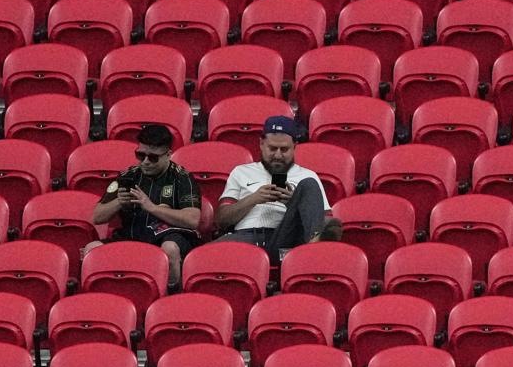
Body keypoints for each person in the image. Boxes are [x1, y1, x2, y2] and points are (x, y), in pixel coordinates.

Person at [84, 124, 201, 289]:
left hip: (168, 237)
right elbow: (97, 217)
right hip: (132, 236)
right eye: (140, 155)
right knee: (92, 248)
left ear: (168, 154)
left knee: (169, 248)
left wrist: (151, 207)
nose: (145, 162)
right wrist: (119, 202)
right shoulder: (128, 176)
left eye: (153, 158)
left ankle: (172, 296)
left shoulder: (182, 178)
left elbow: (193, 220)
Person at [214, 115, 342, 262]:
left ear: (295, 147)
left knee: (308, 184)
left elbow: (326, 221)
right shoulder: (241, 172)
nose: (278, 155)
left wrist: (294, 202)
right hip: (246, 238)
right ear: (261, 144)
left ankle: (315, 248)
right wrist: (254, 199)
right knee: (204, 257)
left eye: (284, 149)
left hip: (286, 238)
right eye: (273, 148)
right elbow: (221, 219)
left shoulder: (307, 174)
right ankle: (314, 252)